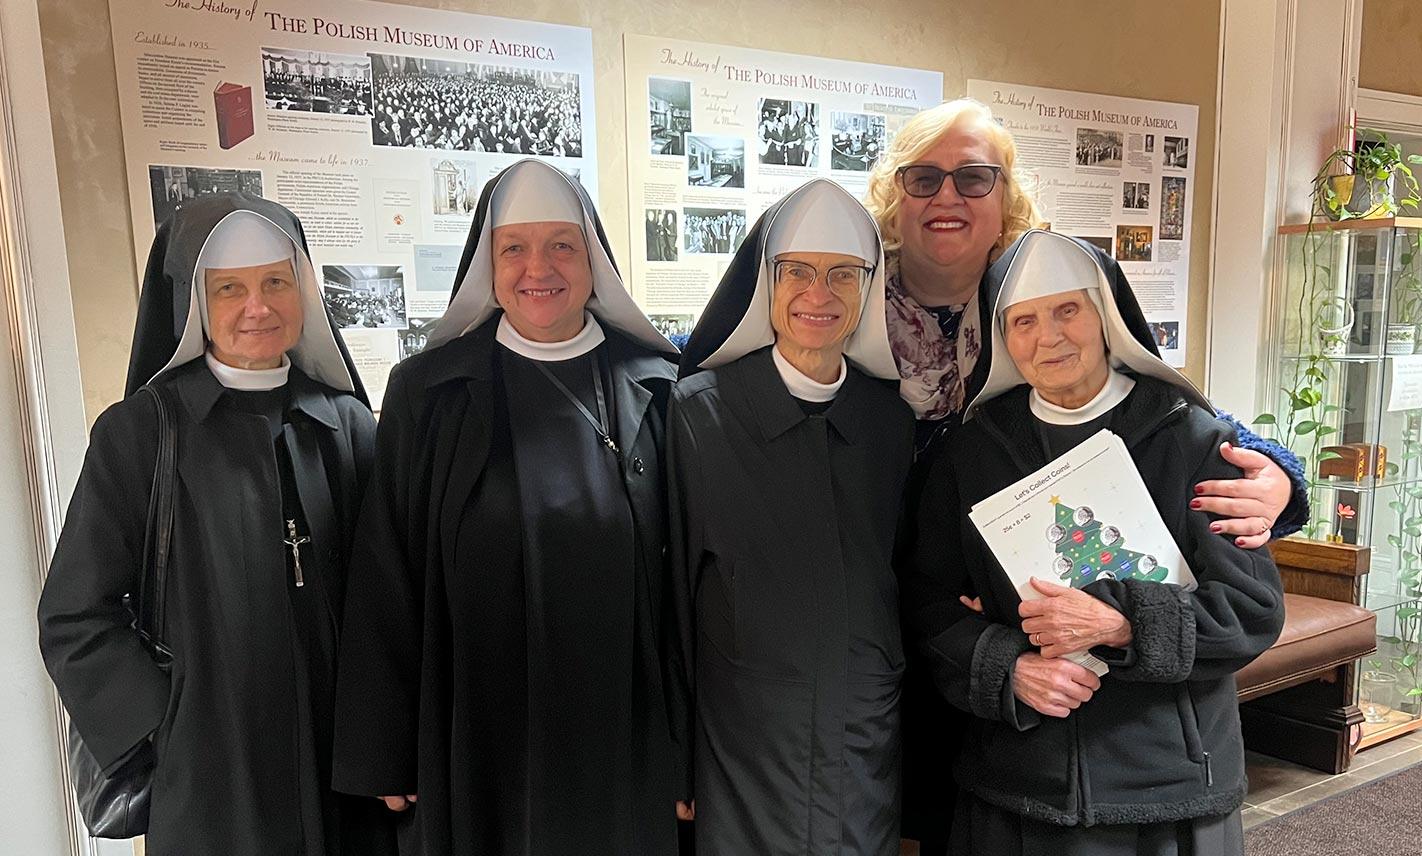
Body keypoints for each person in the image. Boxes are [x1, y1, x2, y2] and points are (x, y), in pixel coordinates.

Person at [863, 98, 1307, 852]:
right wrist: (1003, 665)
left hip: (1164, 773)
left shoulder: (1187, 435)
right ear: (1001, 335)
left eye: (1067, 310)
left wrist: (1281, 478)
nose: (1049, 336)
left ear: (1106, 314)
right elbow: (926, 595)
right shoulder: (959, 434)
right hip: (1009, 758)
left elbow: (1248, 607)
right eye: (1025, 320)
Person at [329, 159, 684, 855]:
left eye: (561, 245)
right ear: (485, 264)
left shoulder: (660, 389)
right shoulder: (427, 393)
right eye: (513, 247)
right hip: (473, 726)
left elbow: (687, 595)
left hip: (621, 727)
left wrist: (688, 749)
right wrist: (384, 745)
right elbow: (384, 572)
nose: (537, 268)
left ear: (593, 260)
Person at [38, 194, 397, 855]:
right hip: (212, 782)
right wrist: (165, 726)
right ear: (195, 301)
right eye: (229, 288)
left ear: (302, 290)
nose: (257, 307)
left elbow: (392, 598)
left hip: (344, 771)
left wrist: (389, 736)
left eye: (275, 282)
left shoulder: (347, 426)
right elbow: (73, 614)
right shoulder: (140, 435)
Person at [671, 178, 910, 855]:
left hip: (864, 724)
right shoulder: (698, 414)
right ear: (765, 283)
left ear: (868, 288)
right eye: (798, 272)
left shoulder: (889, 421)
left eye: (843, 274)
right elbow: (672, 600)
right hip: (741, 736)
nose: (819, 293)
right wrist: (676, 749)